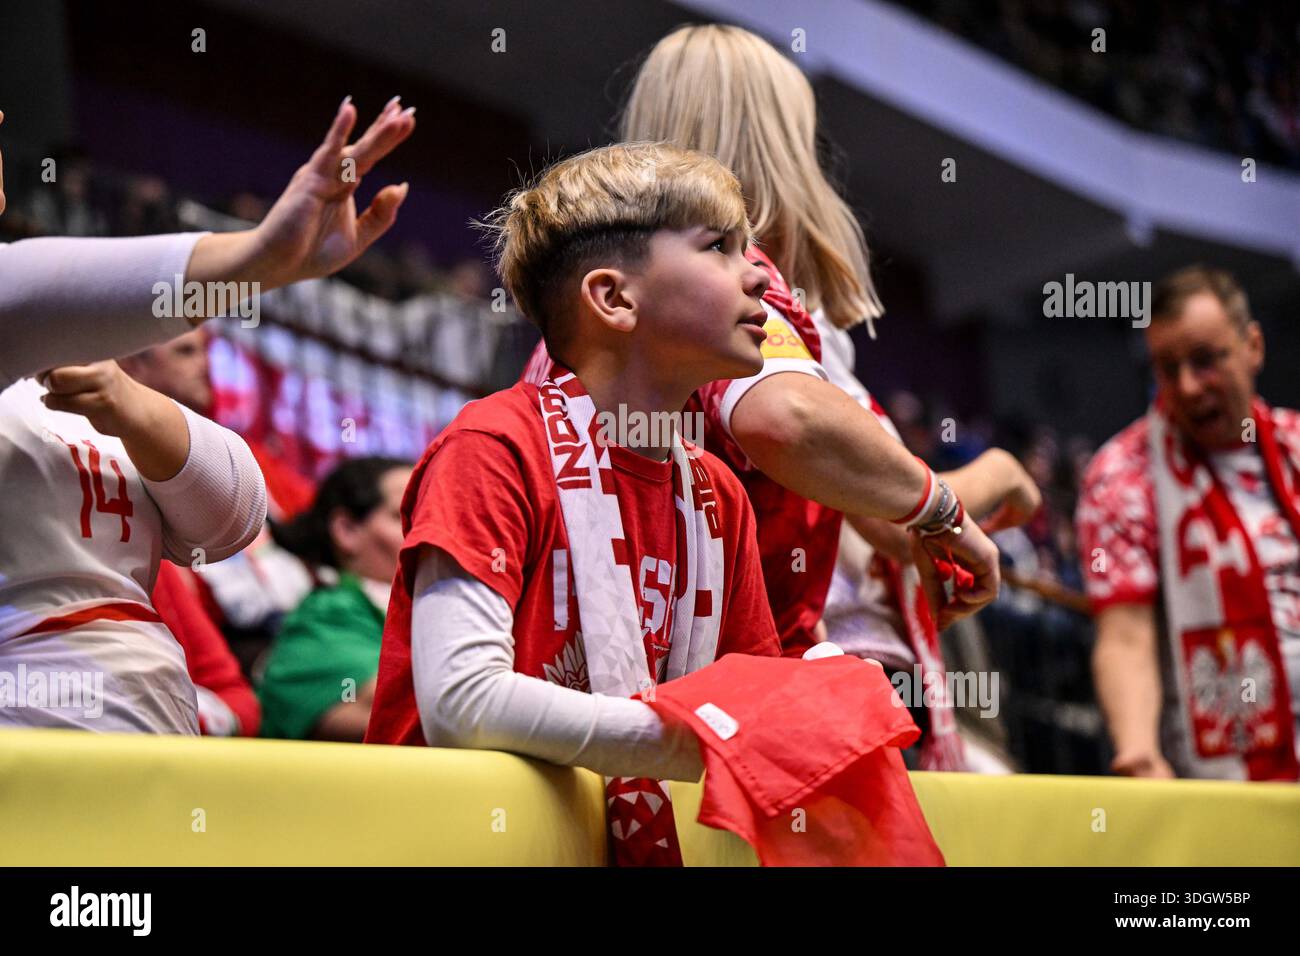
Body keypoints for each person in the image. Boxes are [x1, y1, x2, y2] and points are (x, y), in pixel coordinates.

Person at [366, 142, 796, 867]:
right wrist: (704, 737)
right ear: (614, 298)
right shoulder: (492, 446)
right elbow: (461, 703)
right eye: (720, 247)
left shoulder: (722, 495)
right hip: (455, 849)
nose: (760, 276)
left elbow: (753, 713)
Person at [0, 95, 415, 733]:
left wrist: (131, 405)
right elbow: (19, 287)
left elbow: (231, 520)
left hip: (155, 733)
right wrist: (258, 261)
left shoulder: (72, 375)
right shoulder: (21, 309)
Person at [1078, 265, 1300, 781]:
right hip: (1232, 791)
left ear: (1254, 347)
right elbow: (1125, 635)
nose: (1186, 387)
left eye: (1205, 361)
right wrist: (1138, 751)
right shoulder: (1122, 476)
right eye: (1166, 367)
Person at [259, 457, 411, 741]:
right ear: (347, 531)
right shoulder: (327, 612)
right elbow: (389, 710)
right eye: (404, 516)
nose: (427, 532)